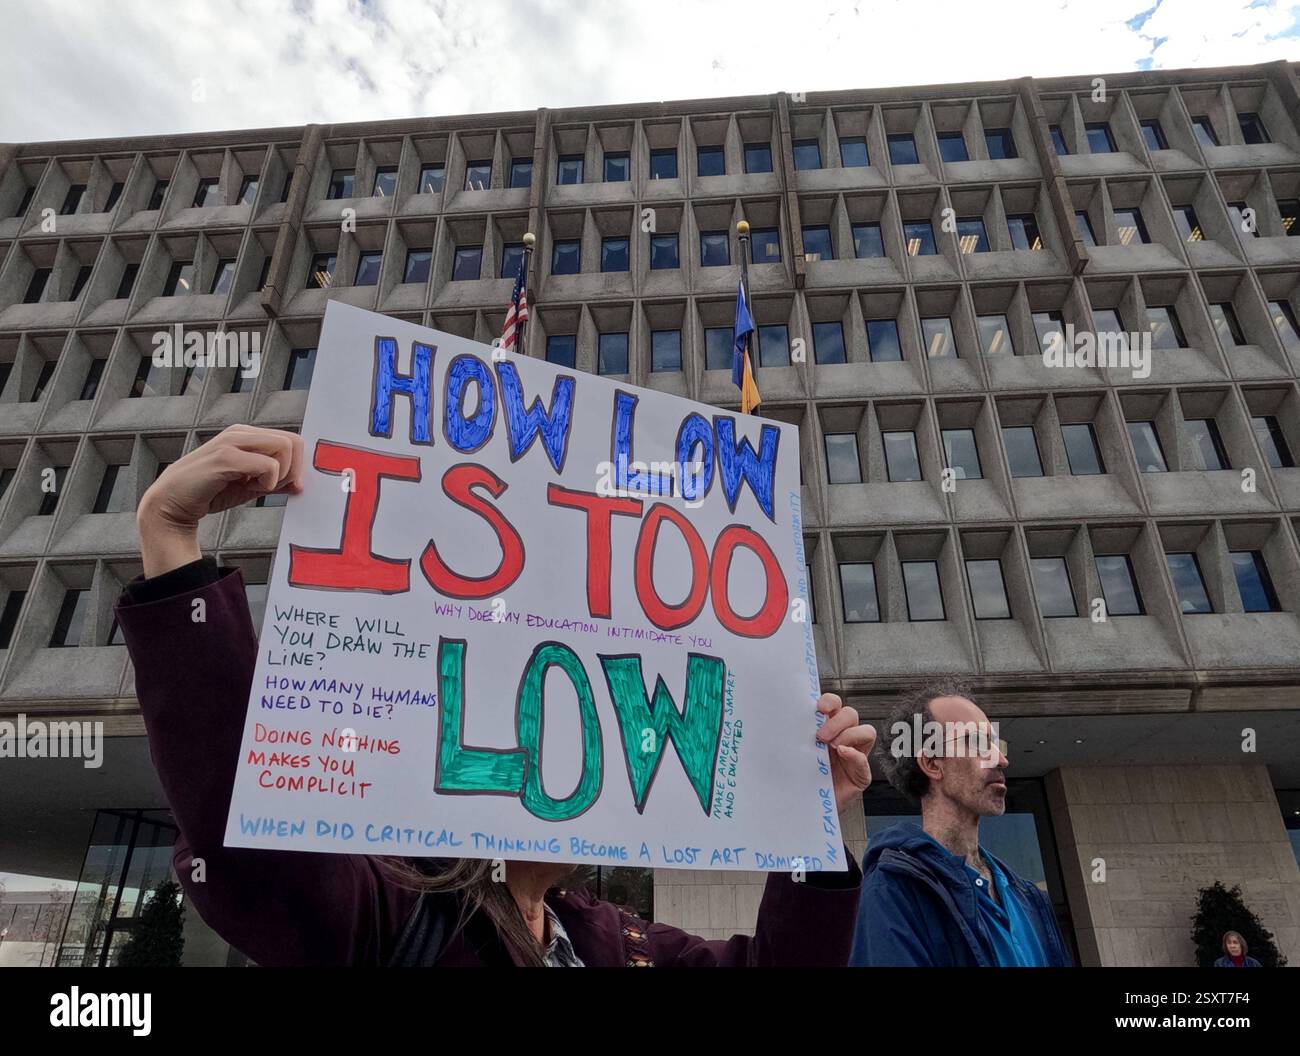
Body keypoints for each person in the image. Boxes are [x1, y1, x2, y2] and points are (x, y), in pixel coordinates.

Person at [117, 424, 878, 966]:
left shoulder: (611, 939)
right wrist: (171, 542)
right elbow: (247, 837)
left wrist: (812, 820)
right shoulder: (391, 912)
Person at [849, 679, 1071, 967]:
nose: (1001, 759)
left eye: (996, 743)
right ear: (931, 763)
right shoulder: (894, 891)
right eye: (977, 742)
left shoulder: (1029, 898)